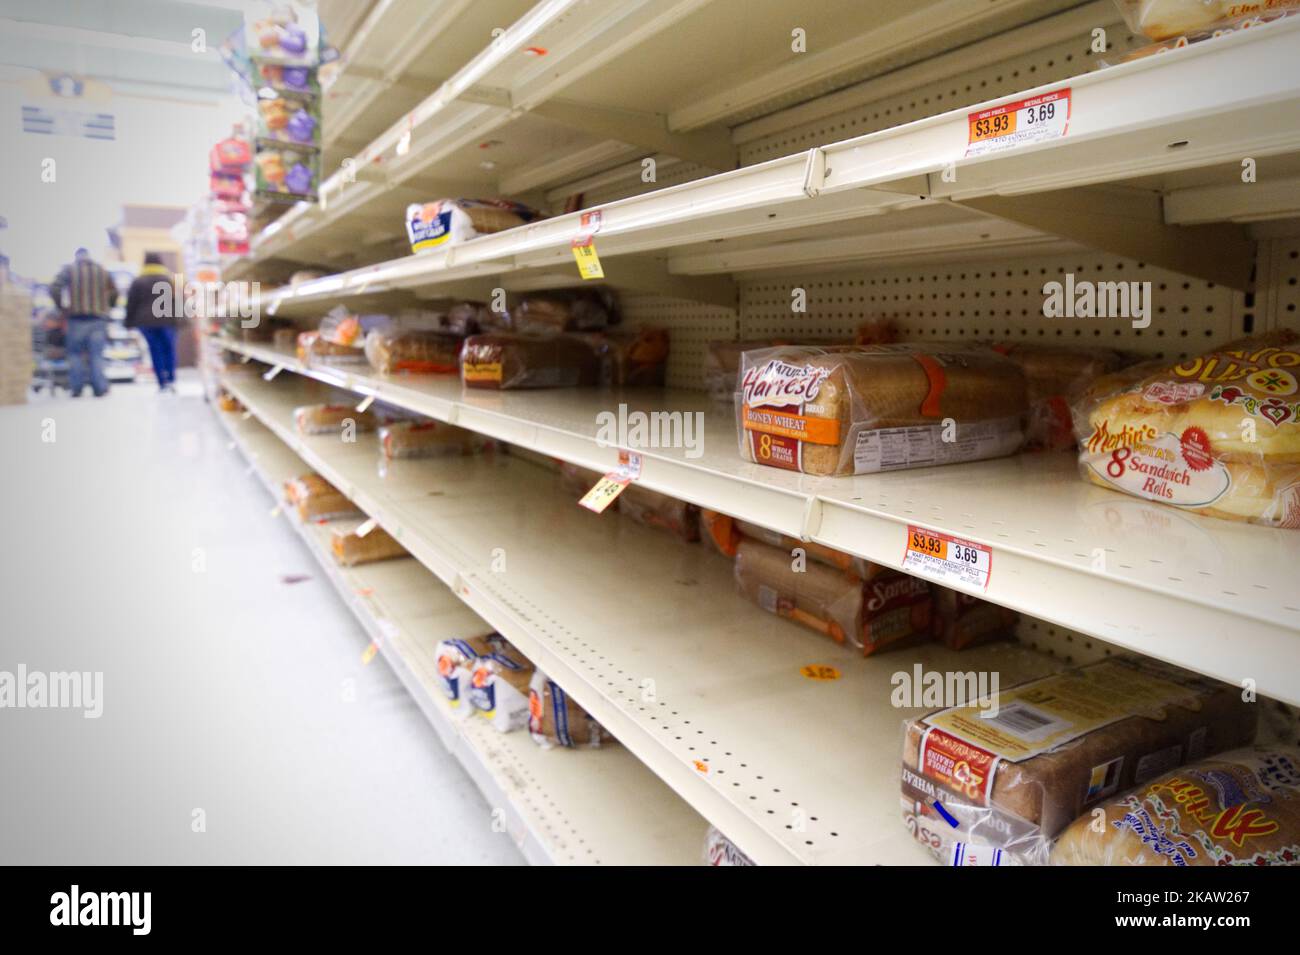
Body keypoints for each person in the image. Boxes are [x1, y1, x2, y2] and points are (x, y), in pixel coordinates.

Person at [49, 248, 118, 397]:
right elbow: (114, 292)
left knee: (74, 354)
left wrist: (61, 307)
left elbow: (54, 287)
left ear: (76, 257)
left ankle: (77, 388)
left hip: (76, 319)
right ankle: (99, 388)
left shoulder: (69, 269)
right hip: (98, 318)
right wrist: (109, 306)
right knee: (96, 354)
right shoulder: (101, 270)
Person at [125, 253, 180, 392]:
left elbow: (131, 303)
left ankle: (161, 382)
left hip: (146, 322)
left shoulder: (138, 281)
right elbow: (175, 301)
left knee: (155, 350)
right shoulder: (167, 279)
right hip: (167, 320)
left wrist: (128, 322)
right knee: (169, 348)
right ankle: (171, 379)